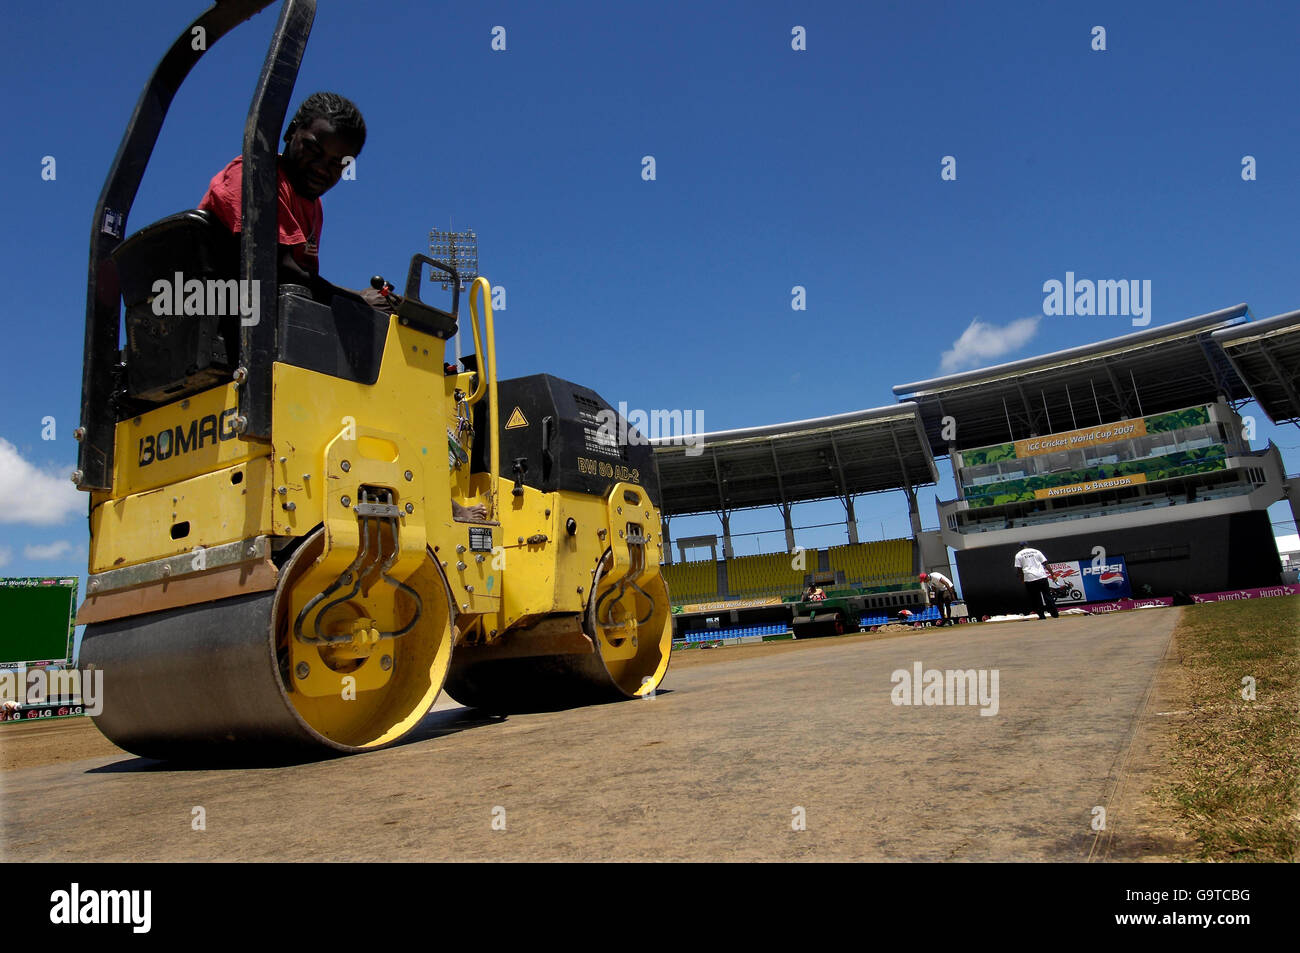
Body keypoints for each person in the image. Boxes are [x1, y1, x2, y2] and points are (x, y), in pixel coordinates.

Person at [198, 91, 392, 312]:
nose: (321, 168)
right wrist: (359, 300)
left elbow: (303, 280)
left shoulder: (312, 205)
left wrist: (364, 299)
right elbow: (276, 269)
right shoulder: (254, 176)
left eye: (337, 163)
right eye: (312, 149)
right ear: (291, 133)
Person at [1014, 542, 1059, 620]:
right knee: (1047, 595)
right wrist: (1053, 574)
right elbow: (1046, 564)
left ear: (1020, 547)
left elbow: (1019, 569)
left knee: (1035, 598)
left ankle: (1041, 615)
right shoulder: (1036, 551)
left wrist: (1022, 579)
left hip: (1030, 578)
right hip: (1041, 576)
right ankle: (1054, 614)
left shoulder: (1018, 555)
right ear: (1027, 546)